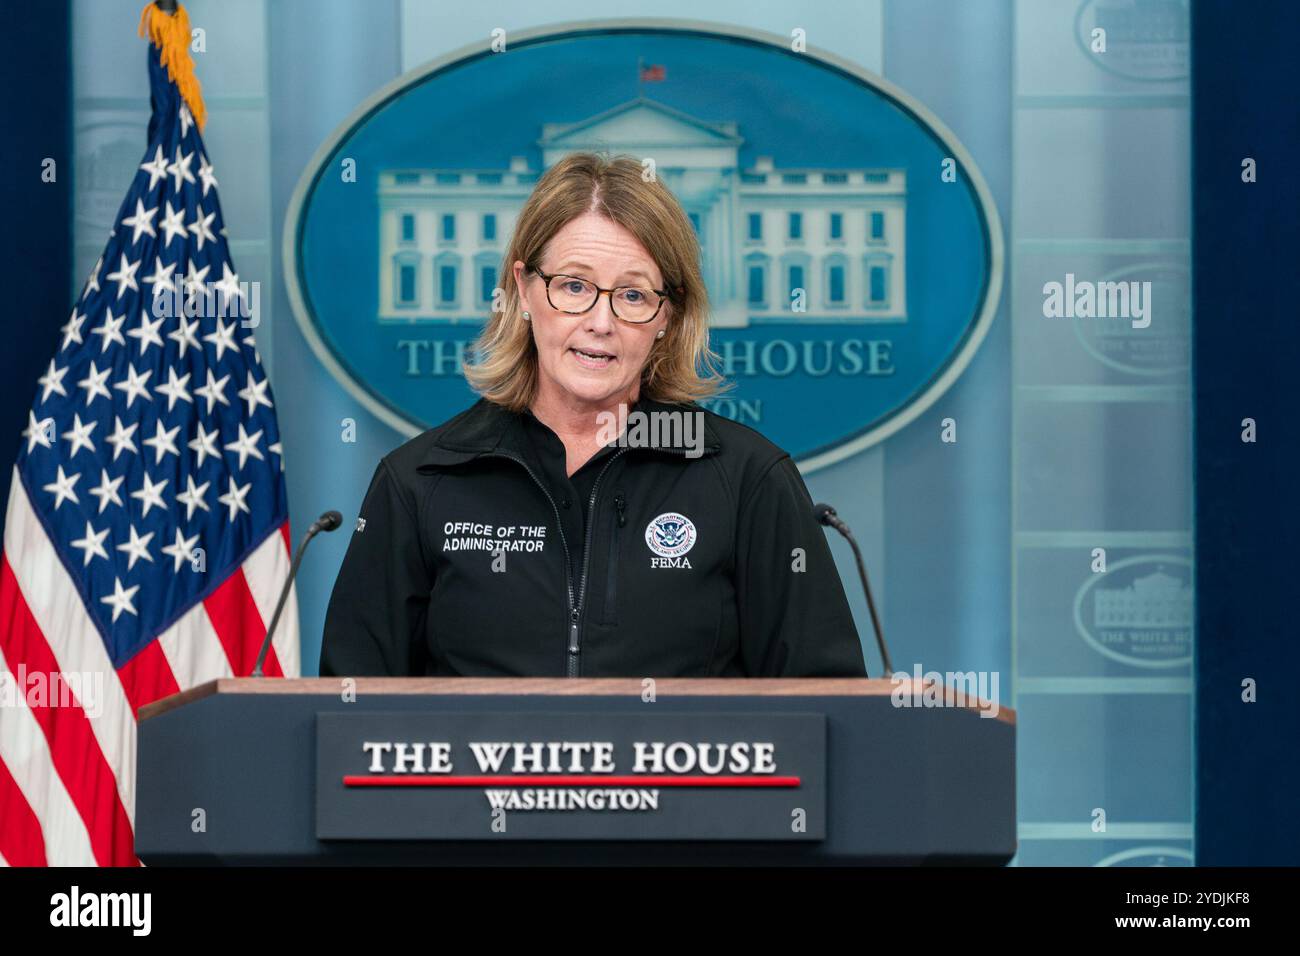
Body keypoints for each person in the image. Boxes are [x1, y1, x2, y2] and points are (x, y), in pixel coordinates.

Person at [319, 152, 866, 678]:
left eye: (632, 294)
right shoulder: (420, 481)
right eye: (574, 286)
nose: (600, 322)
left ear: (666, 316)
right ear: (522, 290)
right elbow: (349, 718)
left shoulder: (748, 480)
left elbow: (828, 715)